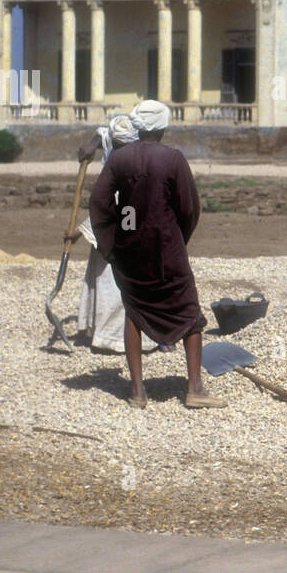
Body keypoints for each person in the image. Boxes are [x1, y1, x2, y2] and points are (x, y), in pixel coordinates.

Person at [88, 100, 225, 410]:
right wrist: (176, 238)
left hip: (130, 251)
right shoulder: (173, 159)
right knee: (189, 313)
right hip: (167, 249)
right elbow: (188, 208)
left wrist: (115, 241)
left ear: (138, 126)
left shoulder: (120, 159)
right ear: (163, 126)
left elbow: (100, 202)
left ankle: (137, 392)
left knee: (134, 312)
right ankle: (194, 389)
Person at [67, 113, 158, 354]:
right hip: (113, 231)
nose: (117, 150)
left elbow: (115, 208)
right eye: (115, 147)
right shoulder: (117, 147)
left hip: (126, 233)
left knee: (120, 285)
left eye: (120, 147)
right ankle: (105, 333)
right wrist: (92, 145)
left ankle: (119, 340)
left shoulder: (135, 168)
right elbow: (104, 133)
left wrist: (80, 231)